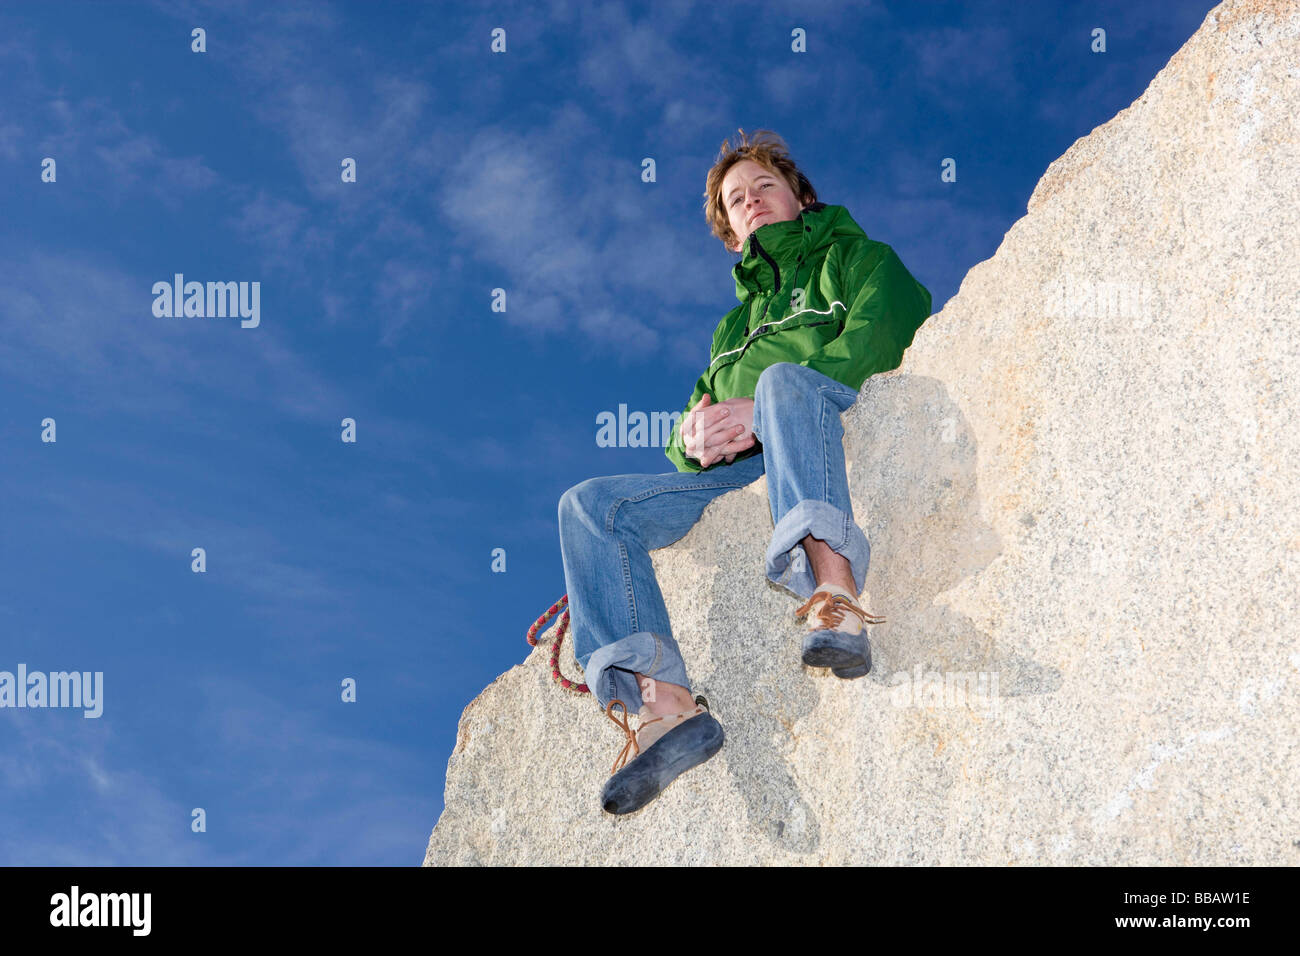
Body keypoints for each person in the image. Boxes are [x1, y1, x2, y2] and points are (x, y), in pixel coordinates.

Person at [557, 128, 932, 816]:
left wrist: (770, 405)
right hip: (737, 472)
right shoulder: (730, 333)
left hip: (815, 414)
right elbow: (690, 435)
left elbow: (892, 324)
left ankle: (835, 597)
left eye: (766, 185)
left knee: (783, 383)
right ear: (729, 231)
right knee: (587, 505)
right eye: (737, 198)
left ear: (799, 197)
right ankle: (665, 707)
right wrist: (693, 438)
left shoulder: (853, 255)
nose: (753, 200)